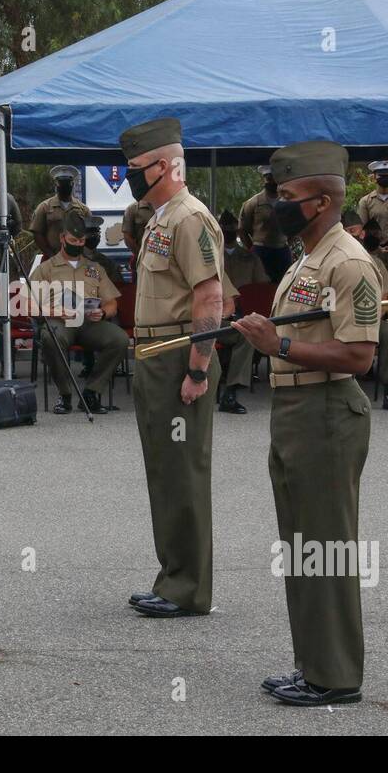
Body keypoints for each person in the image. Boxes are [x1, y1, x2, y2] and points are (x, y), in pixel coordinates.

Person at [232, 140, 379, 707]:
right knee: (301, 545)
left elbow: (359, 356)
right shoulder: (306, 257)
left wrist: (281, 343)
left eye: (286, 195)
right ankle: (313, 664)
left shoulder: (348, 262)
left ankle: (336, 675)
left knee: (328, 547)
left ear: (319, 202)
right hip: (296, 412)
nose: (276, 204)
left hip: (325, 412)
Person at [122, 117, 222, 619]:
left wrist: (198, 370)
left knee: (182, 473)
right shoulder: (159, 217)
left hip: (179, 356)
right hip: (154, 357)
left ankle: (188, 589)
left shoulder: (189, 218)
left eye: (136, 168)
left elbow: (209, 296)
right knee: (165, 472)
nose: (130, 176)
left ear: (164, 166)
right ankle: (173, 577)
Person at [28, 210, 129, 414]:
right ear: (62, 238)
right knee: (51, 337)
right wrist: (56, 311)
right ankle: (65, 395)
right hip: (60, 322)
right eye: (73, 240)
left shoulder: (95, 268)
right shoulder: (46, 269)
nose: (78, 244)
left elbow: (112, 304)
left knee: (120, 339)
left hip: (89, 323)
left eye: (82, 240)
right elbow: (30, 306)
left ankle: (92, 392)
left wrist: (102, 312)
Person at [342, 211, 388, 411]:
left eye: (353, 231)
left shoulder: (374, 262)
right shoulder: (333, 261)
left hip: (370, 318)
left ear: (362, 233)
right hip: (339, 320)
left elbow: (387, 294)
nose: (350, 236)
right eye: (345, 232)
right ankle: (338, 387)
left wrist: (372, 316)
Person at [217, 209, 269, 414]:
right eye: (224, 229)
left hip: (224, 318)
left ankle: (231, 392)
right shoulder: (210, 258)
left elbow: (231, 299)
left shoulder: (249, 258)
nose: (228, 232)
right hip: (186, 322)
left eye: (231, 229)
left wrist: (223, 315)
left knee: (245, 333)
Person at [238, 165, 291, 282]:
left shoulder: (287, 202)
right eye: (268, 178)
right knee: (261, 285)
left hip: (282, 251)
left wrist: (287, 242)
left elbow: (293, 226)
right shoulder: (253, 203)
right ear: (264, 180)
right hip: (261, 251)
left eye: (274, 178)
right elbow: (242, 230)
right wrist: (252, 249)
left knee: (283, 284)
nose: (271, 182)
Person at [31, 165, 90, 257]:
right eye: (62, 183)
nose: (65, 186)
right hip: (51, 258)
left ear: (72, 184)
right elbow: (37, 233)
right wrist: (50, 254)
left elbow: (89, 233)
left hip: (77, 258)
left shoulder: (83, 209)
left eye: (67, 183)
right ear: (56, 185)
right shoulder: (44, 207)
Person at [122, 197, 155, 262]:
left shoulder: (166, 207)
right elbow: (127, 237)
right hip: (141, 255)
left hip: (163, 256)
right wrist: (140, 255)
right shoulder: (132, 209)